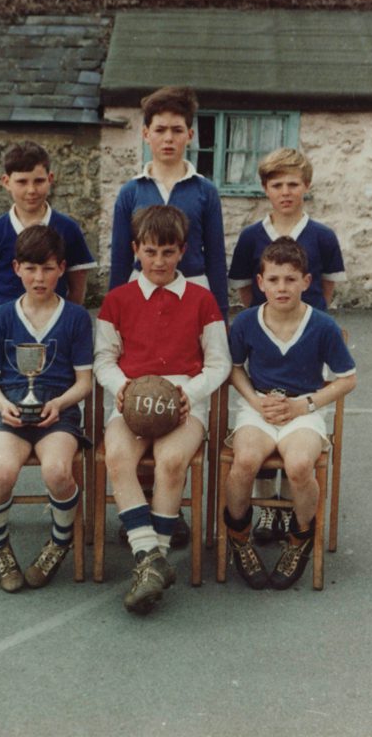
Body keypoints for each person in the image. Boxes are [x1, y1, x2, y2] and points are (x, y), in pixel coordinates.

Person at [108, 86, 229, 547]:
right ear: (145, 134)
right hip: (142, 297)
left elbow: (215, 257)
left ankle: (170, 514)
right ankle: (140, 518)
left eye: (178, 130)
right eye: (160, 130)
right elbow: (121, 258)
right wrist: (118, 310)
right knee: (140, 403)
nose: (169, 138)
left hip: (191, 293)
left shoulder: (204, 191)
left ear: (190, 135)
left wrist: (219, 314)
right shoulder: (130, 191)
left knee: (185, 398)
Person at [95, 205, 231, 614]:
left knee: (171, 461)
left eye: (168, 252)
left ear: (182, 251)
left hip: (184, 402)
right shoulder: (117, 300)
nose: (159, 261)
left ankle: (154, 559)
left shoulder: (202, 300)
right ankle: (152, 561)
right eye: (150, 251)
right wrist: (122, 388)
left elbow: (219, 362)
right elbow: (104, 359)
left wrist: (191, 391)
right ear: (136, 249)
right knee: (118, 455)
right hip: (132, 400)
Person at [228, 148, 347, 542]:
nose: (285, 192)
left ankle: (293, 511)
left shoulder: (322, 235)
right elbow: (245, 287)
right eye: (277, 185)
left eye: (293, 184)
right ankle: (266, 510)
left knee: (294, 439)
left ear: (306, 186)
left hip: (307, 333)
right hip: (266, 331)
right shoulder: (251, 236)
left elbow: (326, 286)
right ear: (265, 188)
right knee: (257, 439)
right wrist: (261, 323)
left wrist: (307, 317)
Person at [224, 237, 356, 590]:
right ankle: (239, 537)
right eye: (274, 279)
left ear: (306, 282)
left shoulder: (323, 325)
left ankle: (299, 539)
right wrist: (255, 401)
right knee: (245, 461)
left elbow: (347, 380)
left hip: (302, 409)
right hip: (260, 407)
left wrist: (306, 404)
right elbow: (235, 369)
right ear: (261, 282)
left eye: (290, 279)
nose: (282, 287)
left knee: (299, 465)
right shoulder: (247, 322)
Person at [0, 225, 93, 593]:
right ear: (16, 269)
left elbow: (85, 382)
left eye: (46, 268)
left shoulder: (75, 317)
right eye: (30, 268)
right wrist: (4, 406)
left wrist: (60, 403)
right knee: (0, 474)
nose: (39, 277)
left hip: (59, 412)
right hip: (11, 408)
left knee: (58, 471)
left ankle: (60, 541)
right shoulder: (0, 316)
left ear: (61, 268)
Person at [0, 140, 96, 313]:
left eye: (39, 181)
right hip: (6, 330)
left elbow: (77, 290)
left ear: (50, 179)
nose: (31, 190)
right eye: (22, 182)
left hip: (53, 327)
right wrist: (1, 321)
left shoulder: (68, 229)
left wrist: (62, 322)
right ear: (6, 182)